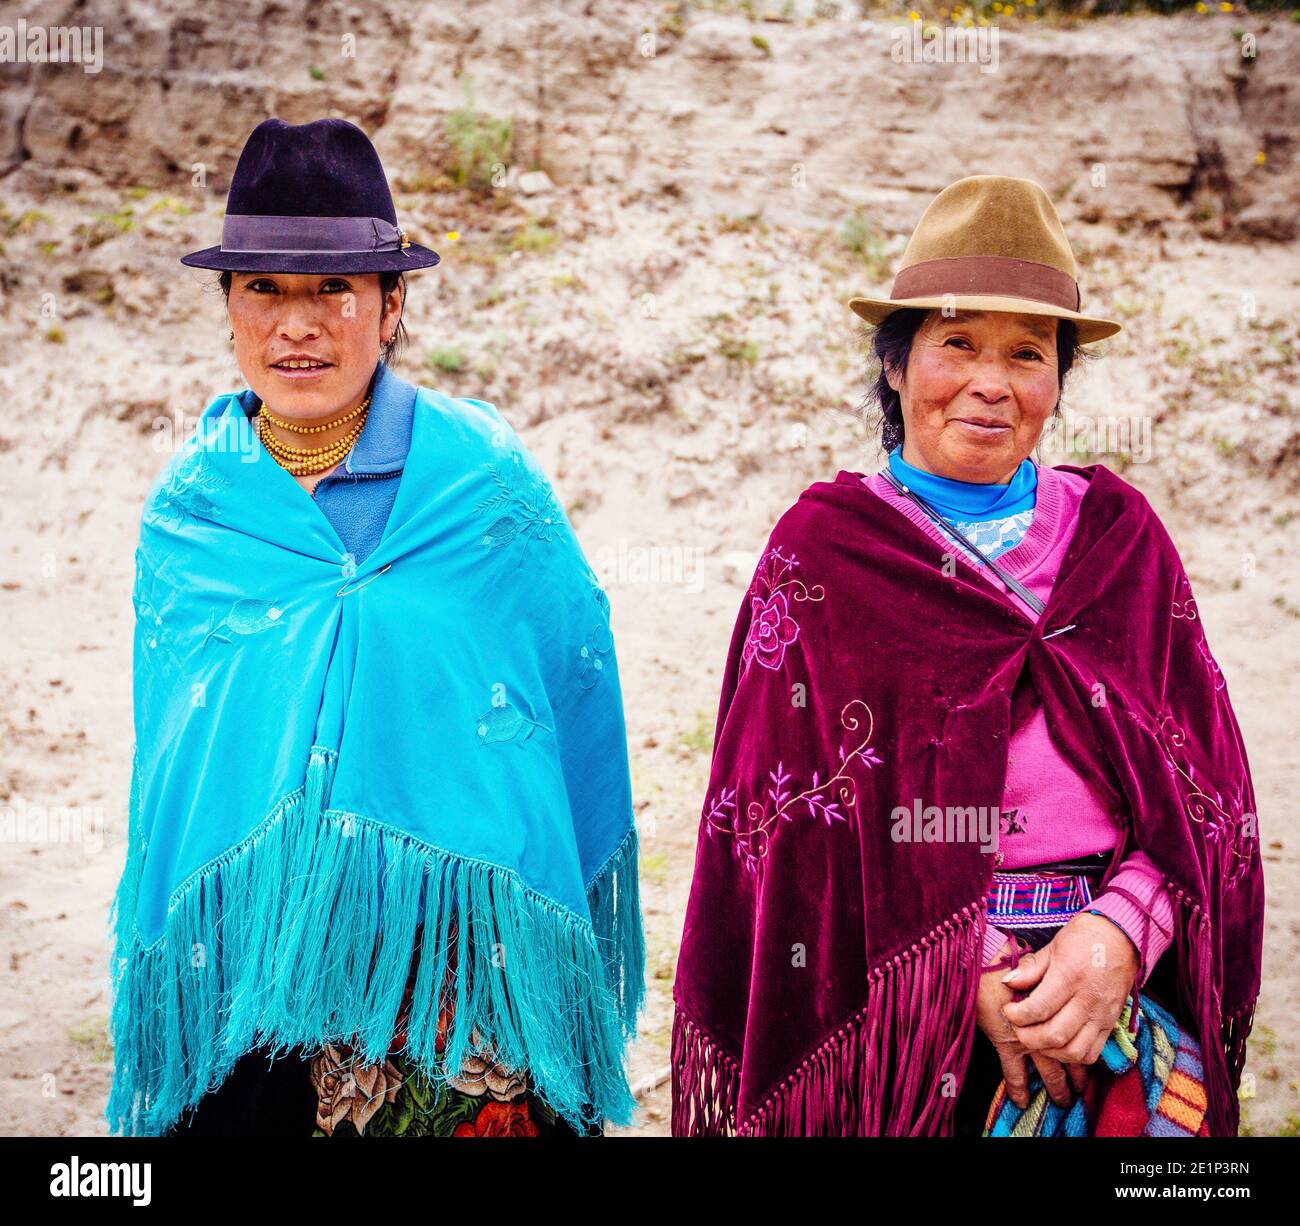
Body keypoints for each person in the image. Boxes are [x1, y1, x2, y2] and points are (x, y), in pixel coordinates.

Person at [670, 175, 1263, 1137]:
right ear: (895, 367)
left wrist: (1117, 936)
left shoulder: (1118, 541)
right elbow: (791, 828)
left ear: (1057, 385)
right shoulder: (826, 556)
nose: (992, 381)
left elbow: (1202, 792)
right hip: (896, 1001)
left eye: (1028, 353)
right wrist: (972, 964)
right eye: (957, 343)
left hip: (1111, 970)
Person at [105, 117, 644, 1138]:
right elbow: (179, 762)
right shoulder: (196, 512)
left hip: (455, 981)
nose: (296, 323)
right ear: (226, 308)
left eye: (333, 290)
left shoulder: (481, 485)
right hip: (250, 981)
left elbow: (568, 678)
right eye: (262, 288)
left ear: (390, 307)